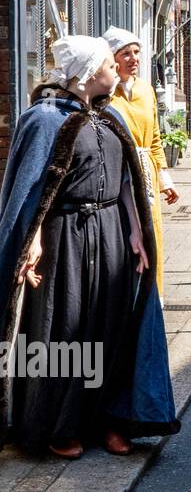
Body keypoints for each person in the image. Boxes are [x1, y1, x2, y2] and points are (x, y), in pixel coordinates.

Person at [0, 36, 180, 458]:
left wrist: (137, 232)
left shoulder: (109, 117)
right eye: (107, 64)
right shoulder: (44, 119)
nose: (116, 68)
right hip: (66, 237)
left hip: (112, 233)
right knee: (65, 330)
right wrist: (35, 237)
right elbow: (34, 190)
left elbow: (124, 181)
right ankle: (60, 424)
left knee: (111, 324)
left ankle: (110, 422)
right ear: (85, 75)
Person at [105, 27, 179, 295]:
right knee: (125, 238)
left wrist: (164, 179)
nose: (133, 58)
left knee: (151, 236)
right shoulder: (105, 94)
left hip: (145, 174)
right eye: (126, 53)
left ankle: (153, 297)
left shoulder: (146, 90)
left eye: (136, 52)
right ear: (111, 58)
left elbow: (155, 137)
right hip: (118, 174)